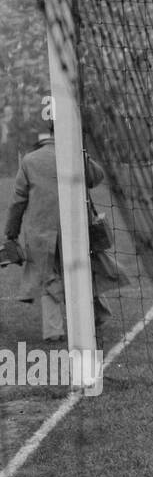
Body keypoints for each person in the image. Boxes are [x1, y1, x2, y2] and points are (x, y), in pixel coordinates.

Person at [3, 132, 121, 344]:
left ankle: (53, 330)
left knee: (49, 277)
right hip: (74, 228)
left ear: (40, 142)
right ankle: (98, 316)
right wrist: (82, 153)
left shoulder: (30, 160)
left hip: (40, 233)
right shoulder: (74, 154)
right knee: (82, 273)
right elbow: (97, 177)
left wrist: (11, 233)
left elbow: (18, 201)